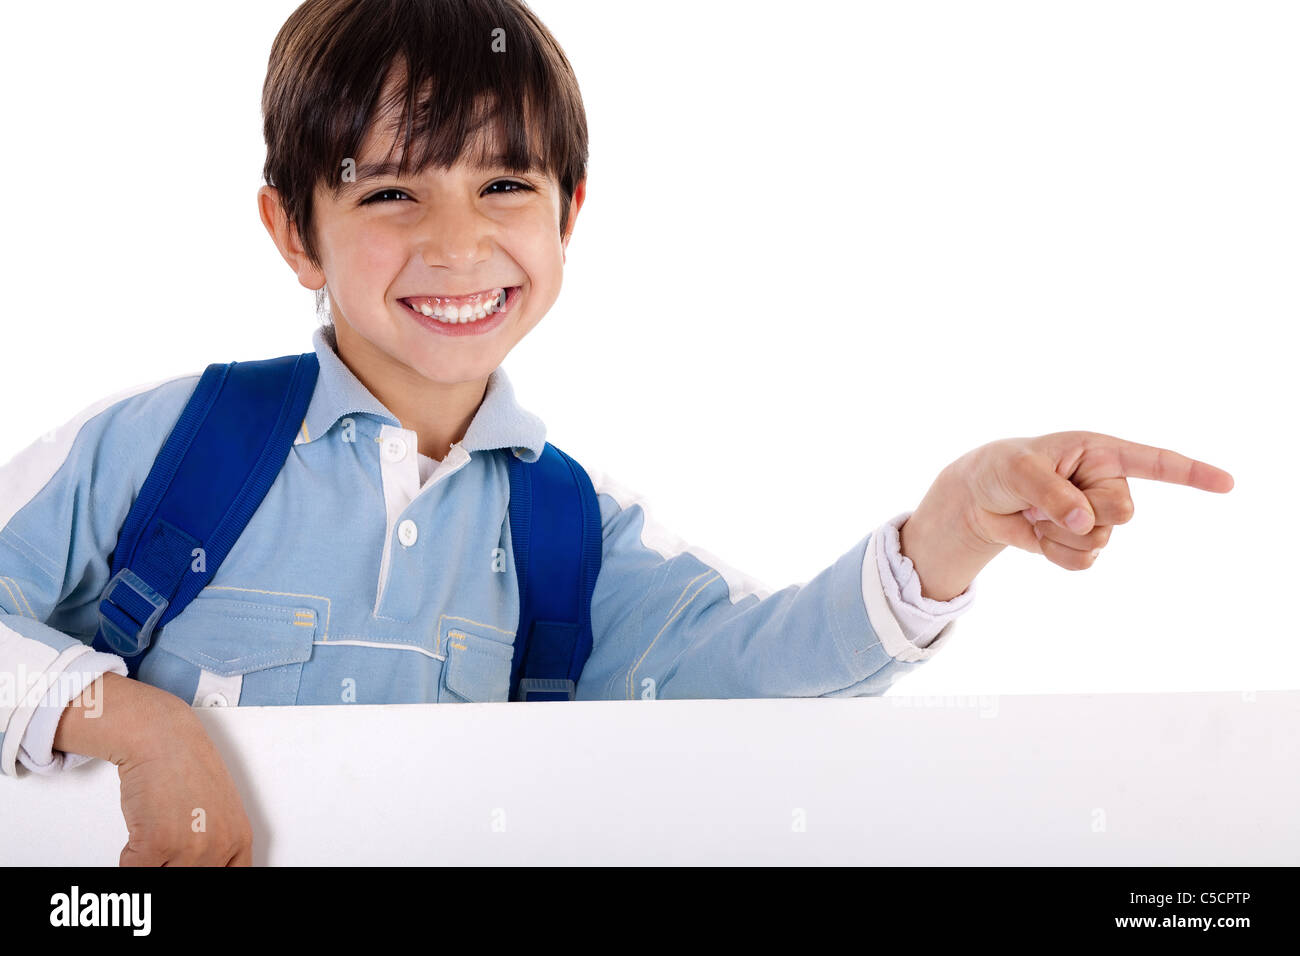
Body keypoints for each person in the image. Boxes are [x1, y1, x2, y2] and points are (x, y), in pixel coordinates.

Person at [0, 0, 1233, 866]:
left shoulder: (567, 528)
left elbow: (751, 673)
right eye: (389, 191)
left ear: (568, 213)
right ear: (291, 229)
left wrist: (951, 526)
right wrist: (136, 722)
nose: (455, 242)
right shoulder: (172, 446)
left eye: (503, 186)